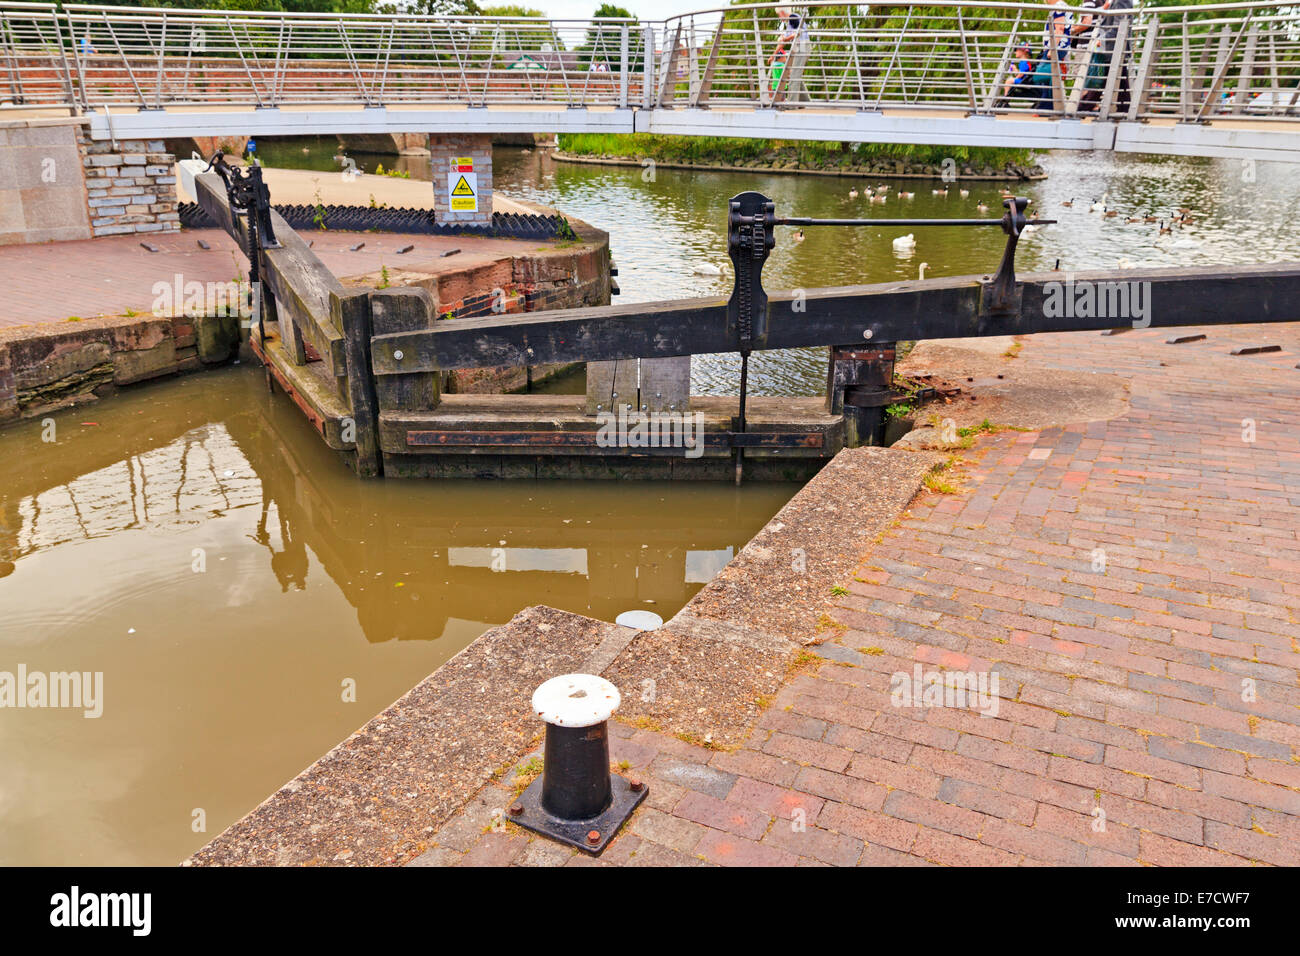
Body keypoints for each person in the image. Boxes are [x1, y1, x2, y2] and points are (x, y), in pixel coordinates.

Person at [1078, 0, 1133, 113]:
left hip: (1113, 47)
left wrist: (1101, 39)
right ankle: (1125, 111)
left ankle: (1082, 109)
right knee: (1118, 81)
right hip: (1112, 48)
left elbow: (1120, 26)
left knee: (1101, 79)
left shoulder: (1122, 1)